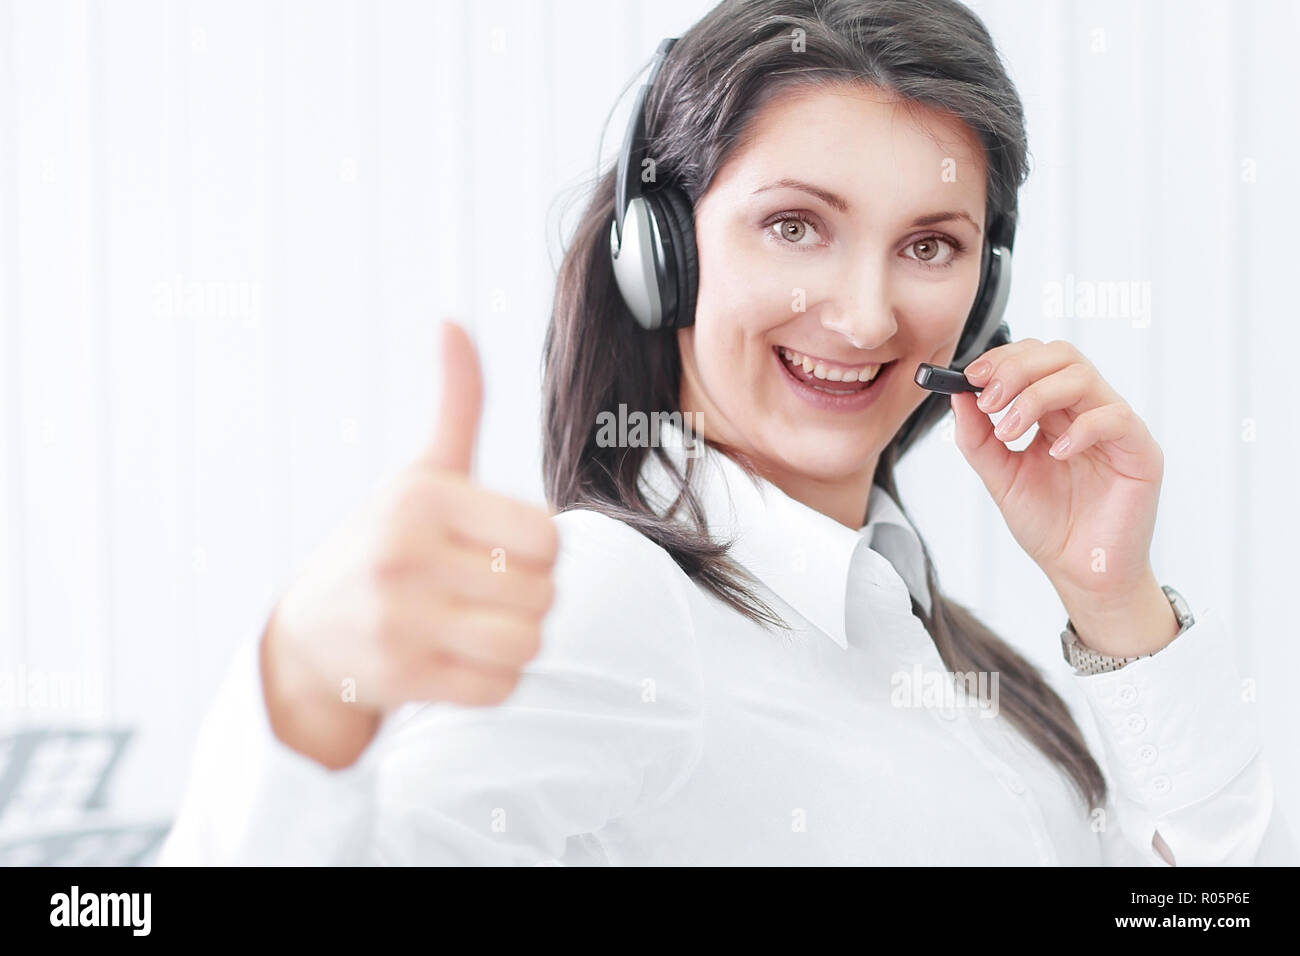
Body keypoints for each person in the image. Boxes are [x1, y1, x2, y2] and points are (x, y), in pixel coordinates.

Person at [158, 0, 1295, 865]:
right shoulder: (618, 600)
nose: (863, 314)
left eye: (930, 244)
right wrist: (304, 696)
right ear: (665, 253)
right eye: (795, 225)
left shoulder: (916, 636)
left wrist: (1117, 606)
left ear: (984, 295)